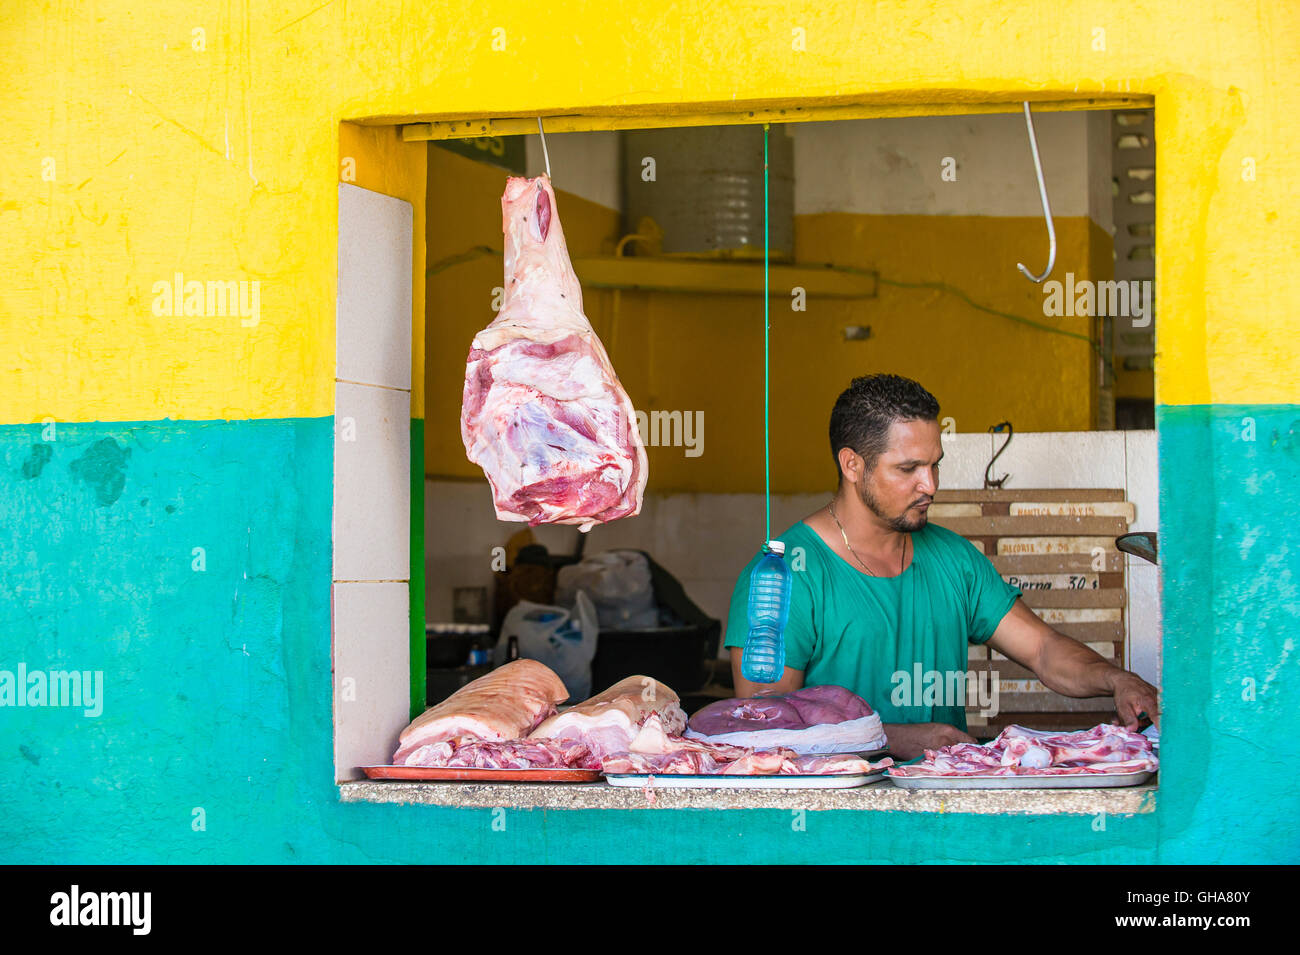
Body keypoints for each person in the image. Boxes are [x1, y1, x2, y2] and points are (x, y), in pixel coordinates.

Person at [723, 373, 1160, 760]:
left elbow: (1043, 650)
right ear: (852, 464)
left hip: (944, 806)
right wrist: (889, 739)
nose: (929, 485)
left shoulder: (953, 558)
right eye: (909, 468)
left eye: (934, 466)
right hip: (833, 821)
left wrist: (1117, 679)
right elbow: (761, 722)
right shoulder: (783, 574)